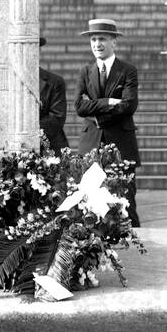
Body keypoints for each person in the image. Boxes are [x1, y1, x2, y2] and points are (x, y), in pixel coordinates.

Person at [74, 17, 141, 225]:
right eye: (93, 39)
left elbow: (129, 105)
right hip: (91, 142)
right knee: (89, 201)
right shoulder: (86, 71)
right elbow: (78, 106)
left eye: (102, 39)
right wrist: (108, 102)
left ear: (114, 42)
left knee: (126, 199)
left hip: (120, 141)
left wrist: (98, 114)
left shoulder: (127, 71)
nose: (97, 44)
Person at [38, 37, 68, 152]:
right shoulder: (8, 82)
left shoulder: (54, 82)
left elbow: (56, 118)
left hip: (49, 147)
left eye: (34, 50)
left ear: (39, 53)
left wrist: (29, 135)